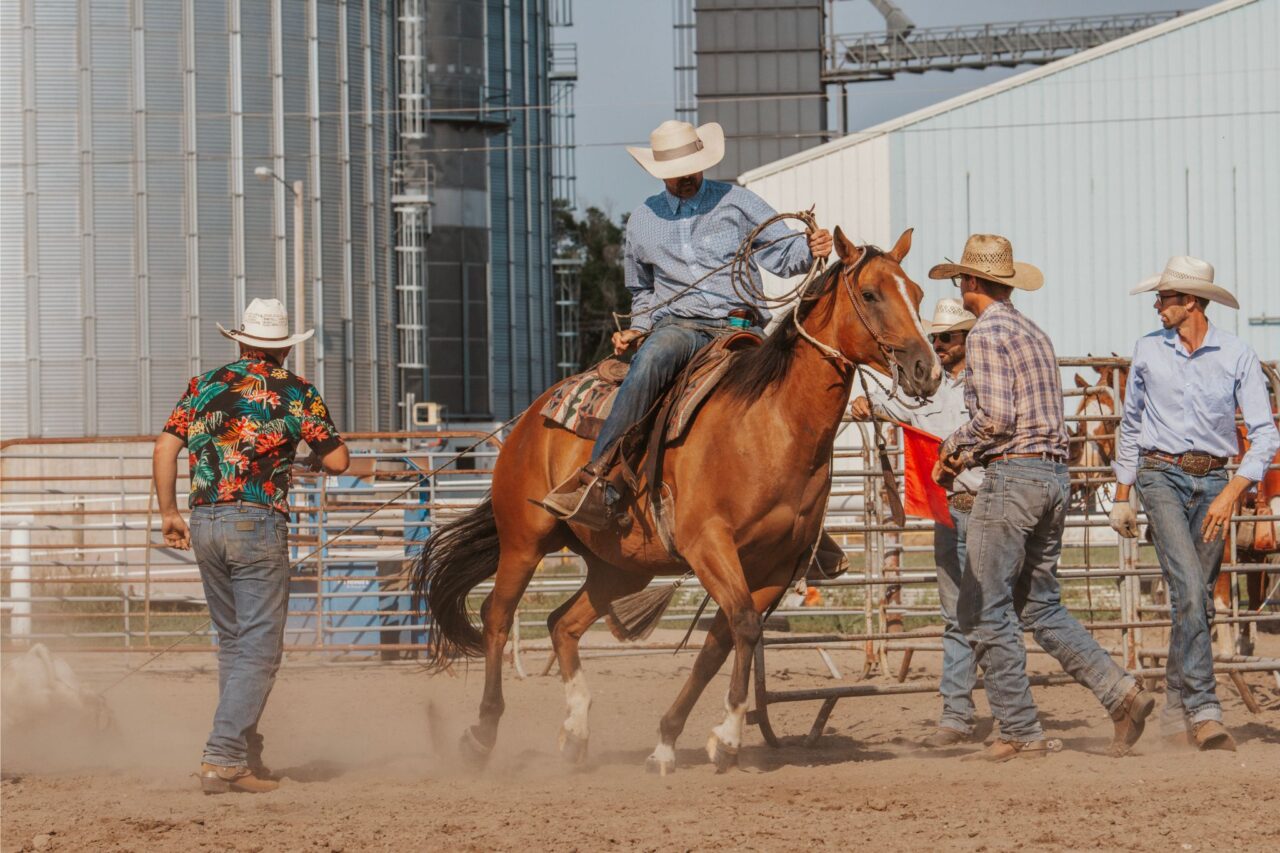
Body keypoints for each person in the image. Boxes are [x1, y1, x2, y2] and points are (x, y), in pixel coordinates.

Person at [540, 119, 833, 530]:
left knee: (792, 388)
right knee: (650, 363)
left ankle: (802, 513)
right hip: (680, 325)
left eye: (692, 169)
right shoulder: (642, 220)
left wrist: (810, 246)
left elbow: (785, 257)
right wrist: (639, 328)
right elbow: (641, 289)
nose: (686, 178)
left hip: (740, 324)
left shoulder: (738, 202)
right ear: (662, 174)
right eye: (676, 174)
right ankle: (602, 480)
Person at [930, 234, 1153, 761]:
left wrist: (954, 446)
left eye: (963, 278)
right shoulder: (1033, 331)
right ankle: (1119, 692)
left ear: (972, 283)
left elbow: (996, 418)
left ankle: (1018, 729)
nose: (961, 285)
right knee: (1040, 605)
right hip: (1053, 476)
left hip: (1012, 478)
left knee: (983, 604)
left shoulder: (985, 333)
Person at [153, 298, 350, 793]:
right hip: (257, 523)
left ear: (241, 340)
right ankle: (222, 756)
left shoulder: (204, 385)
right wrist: (308, 458)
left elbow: (165, 447)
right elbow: (341, 461)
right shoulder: (298, 392)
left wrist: (168, 512)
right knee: (260, 647)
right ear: (284, 347)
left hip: (203, 522)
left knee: (235, 644)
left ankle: (243, 753)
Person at [1108, 256, 1279, 751]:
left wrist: (1232, 491)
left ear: (1191, 303)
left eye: (1164, 297)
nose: (1157, 304)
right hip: (1160, 476)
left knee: (1196, 598)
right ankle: (1205, 710)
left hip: (1214, 483)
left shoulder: (1237, 355)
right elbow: (1132, 425)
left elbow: (1264, 435)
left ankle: (1173, 714)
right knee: (1188, 589)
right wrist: (1124, 493)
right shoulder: (1147, 351)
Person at [851, 298, 984, 747]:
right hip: (951, 509)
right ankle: (956, 713)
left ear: (966, 338)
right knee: (957, 614)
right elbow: (906, 415)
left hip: (984, 505)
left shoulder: (985, 383)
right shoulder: (931, 387)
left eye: (946, 338)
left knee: (992, 613)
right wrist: (873, 408)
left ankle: (996, 710)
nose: (938, 345)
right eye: (935, 338)